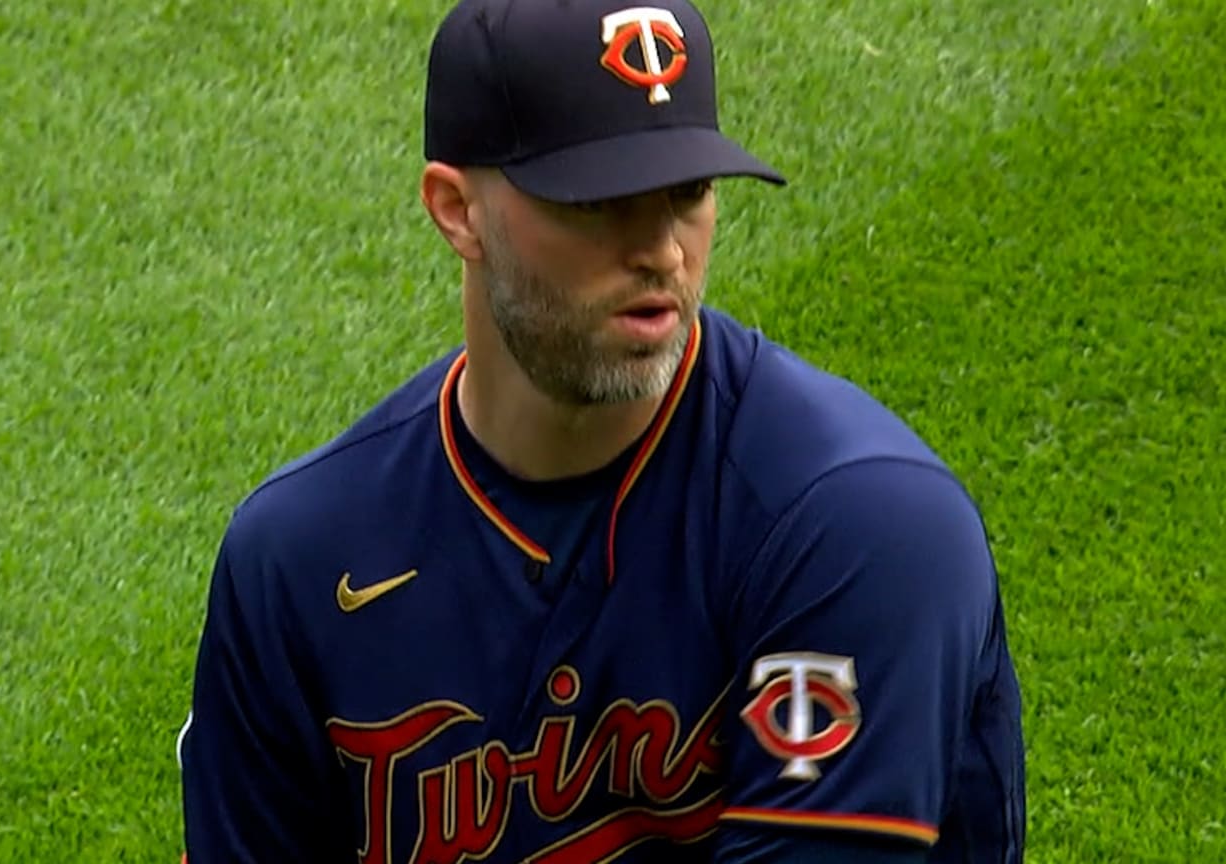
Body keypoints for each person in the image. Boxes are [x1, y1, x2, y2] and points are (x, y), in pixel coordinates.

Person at [176, 0, 1026, 861]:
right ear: (457, 211)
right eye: (601, 200)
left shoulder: (855, 521)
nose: (662, 250)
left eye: (687, 193)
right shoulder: (299, 555)